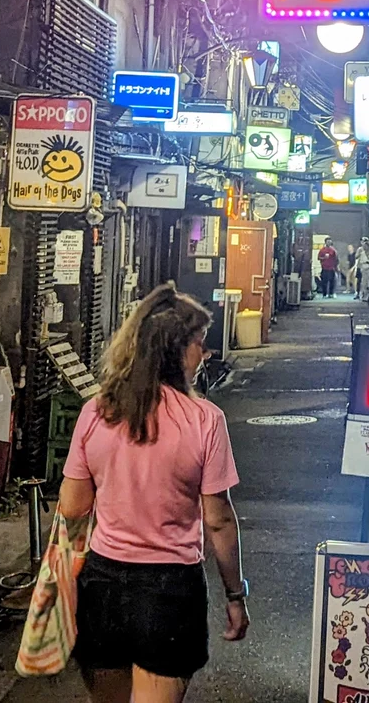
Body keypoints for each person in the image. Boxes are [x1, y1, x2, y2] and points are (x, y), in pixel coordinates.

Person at [59, 283, 250, 702]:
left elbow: (72, 506)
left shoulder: (97, 411)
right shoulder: (205, 420)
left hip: (102, 585)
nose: (205, 354)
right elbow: (218, 520)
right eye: (200, 344)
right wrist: (235, 595)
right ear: (177, 350)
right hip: (169, 591)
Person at [355, 238, 369, 302]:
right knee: (362, 282)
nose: (364, 247)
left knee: (368, 282)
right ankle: (362, 295)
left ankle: (367, 295)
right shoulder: (360, 250)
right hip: (362, 267)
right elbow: (356, 257)